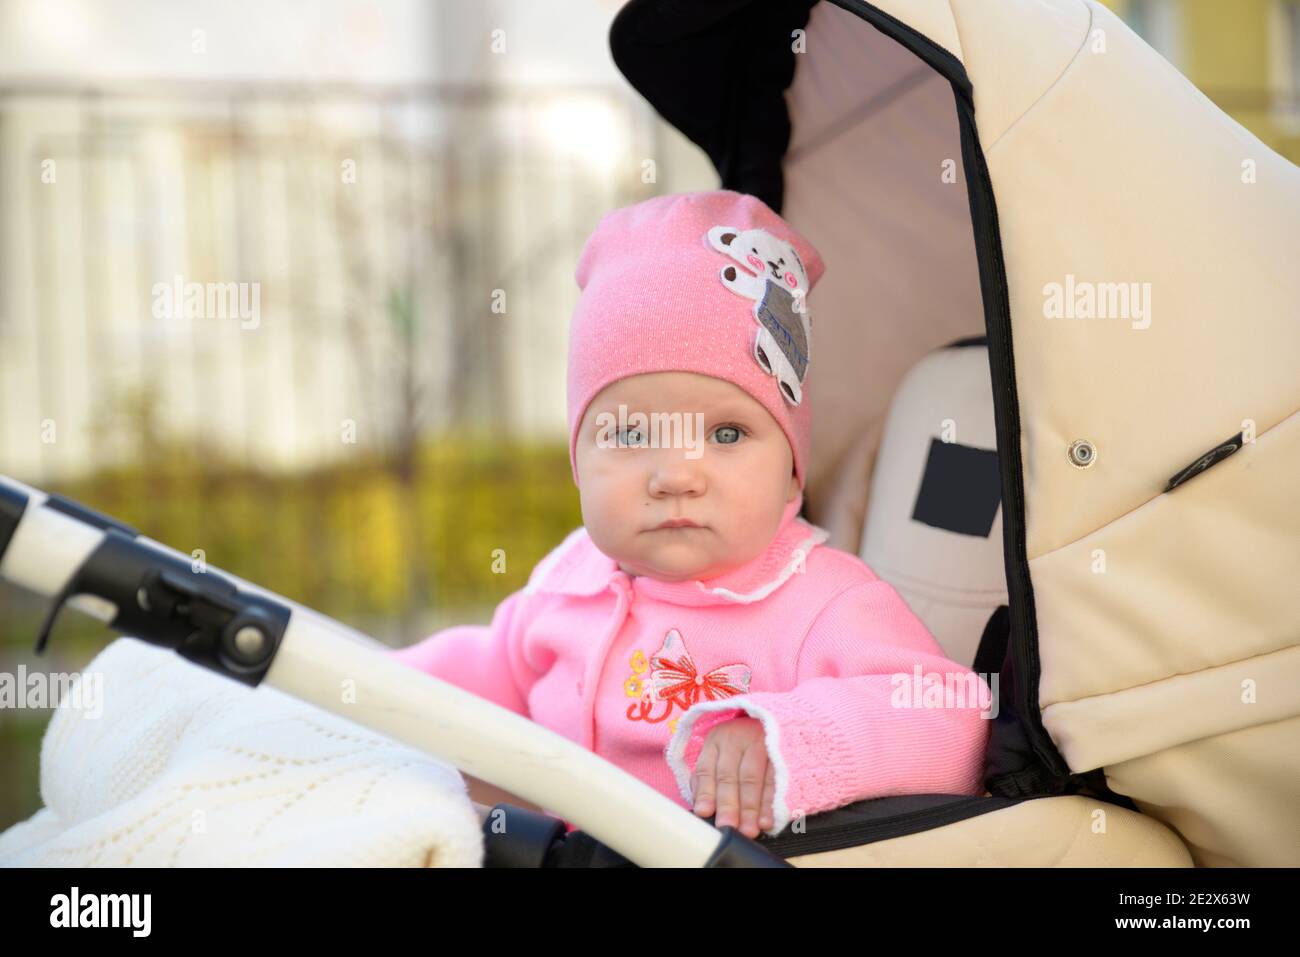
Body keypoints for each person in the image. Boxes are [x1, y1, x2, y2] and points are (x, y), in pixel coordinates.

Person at [390, 189, 991, 841]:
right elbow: (492, 671)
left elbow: (951, 717)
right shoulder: (571, 577)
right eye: (628, 434)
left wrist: (786, 736)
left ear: (791, 465)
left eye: (727, 434)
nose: (675, 473)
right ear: (576, 461)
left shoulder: (823, 601)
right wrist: (361, 693)